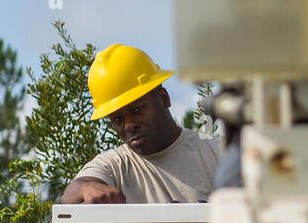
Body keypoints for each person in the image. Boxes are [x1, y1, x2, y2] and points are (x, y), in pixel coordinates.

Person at [60, 45, 220, 206]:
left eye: (137, 109)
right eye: (118, 119)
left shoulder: (216, 154)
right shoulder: (115, 166)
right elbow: (71, 194)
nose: (129, 125)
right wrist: (86, 188)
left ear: (164, 98)